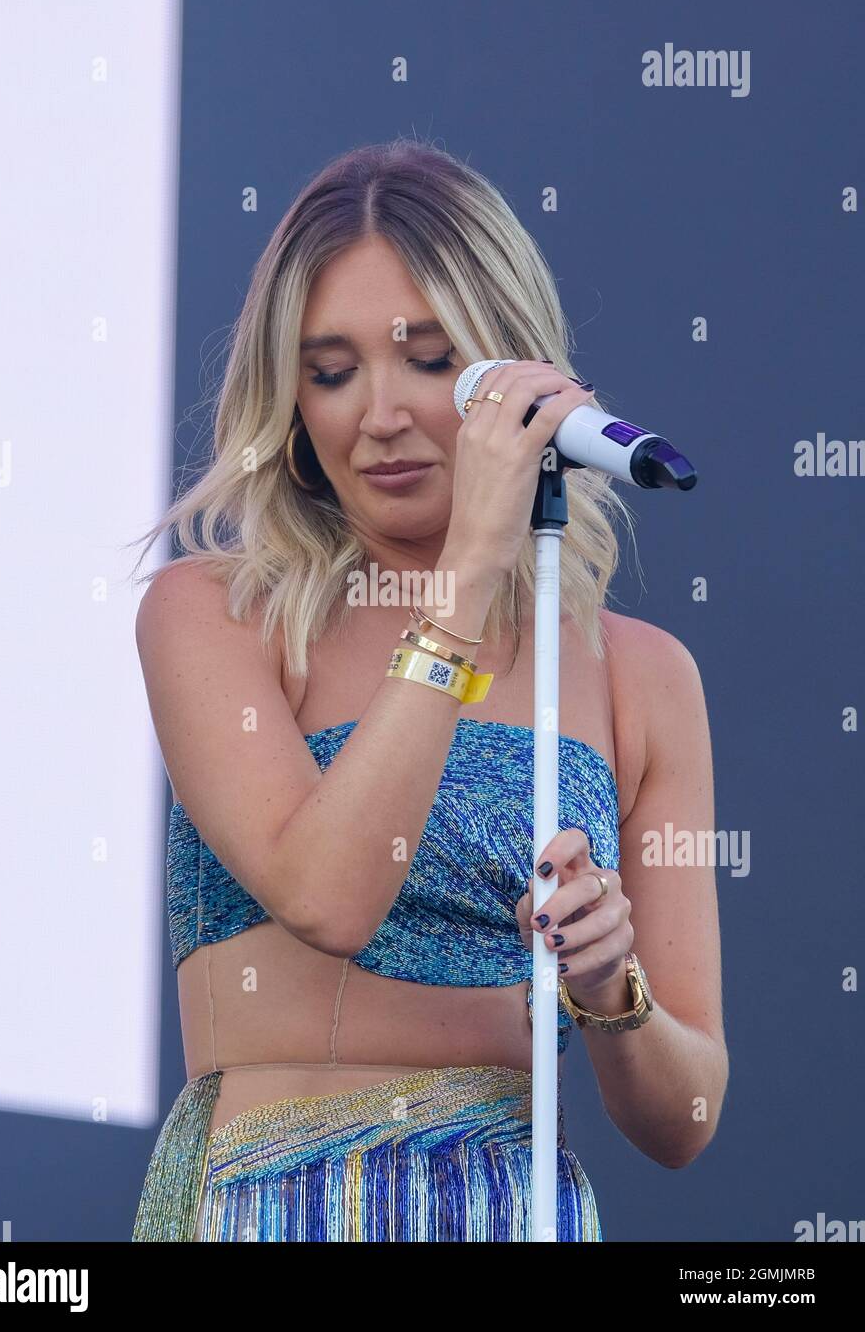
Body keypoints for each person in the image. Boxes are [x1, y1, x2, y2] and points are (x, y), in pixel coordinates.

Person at [129, 138, 728, 1243]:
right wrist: (461, 587)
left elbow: (685, 1115)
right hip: (271, 1203)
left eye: (427, 360)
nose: (380, 413)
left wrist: (611, 989)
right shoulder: (214, 613)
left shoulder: (642, 675)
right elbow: (328, 895)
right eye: (331, 369)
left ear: (517, 379)